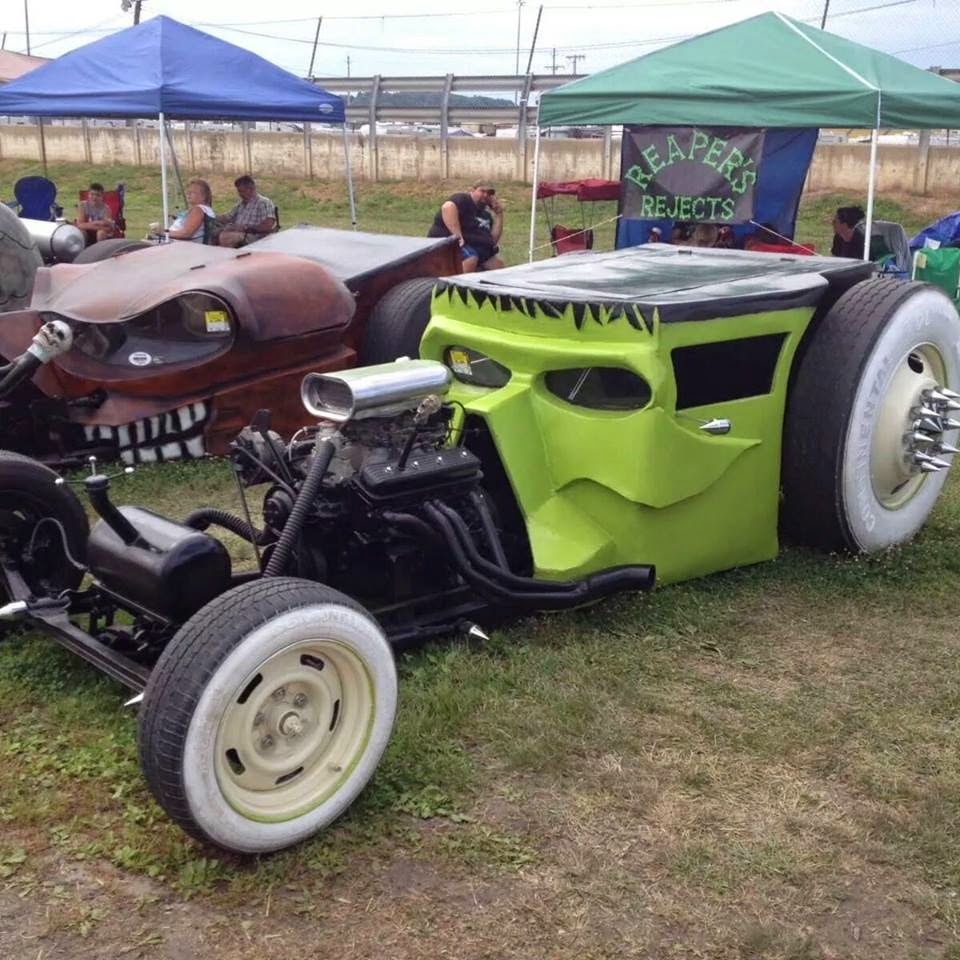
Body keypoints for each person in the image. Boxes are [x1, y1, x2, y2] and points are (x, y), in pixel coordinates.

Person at [427, 181, 501, 272]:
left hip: (473, 248)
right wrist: (457, 236)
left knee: (499, 267)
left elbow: (493, 240)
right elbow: (448, 207)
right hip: (445, 243)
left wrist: (499, 214)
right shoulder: (463, 199)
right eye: (482, 191)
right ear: (473, 190)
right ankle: (457, 285)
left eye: (489, 193)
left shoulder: (485, 215)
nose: (486, 195)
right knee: (470, 258)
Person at [216, 175, 276, 248]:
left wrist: (245, 228)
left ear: (252, 189)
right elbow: (227, 217)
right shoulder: (241, 204)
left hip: (255, 237)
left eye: (242, 191)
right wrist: (211, 217)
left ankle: (228, 258)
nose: (240, 194)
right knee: (213, 233)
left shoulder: (264, 202)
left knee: (226, 237)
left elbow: (267, 225)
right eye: (239, 191)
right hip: (238, 233)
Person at [153, 179, 215, 243]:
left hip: (180, 245)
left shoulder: (199, 210)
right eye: (188, 192)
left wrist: (163, 232)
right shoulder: (204, 209)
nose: (188, 194)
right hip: (176, 242)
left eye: (193, 192)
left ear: (203, 196)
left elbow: (186, 233)